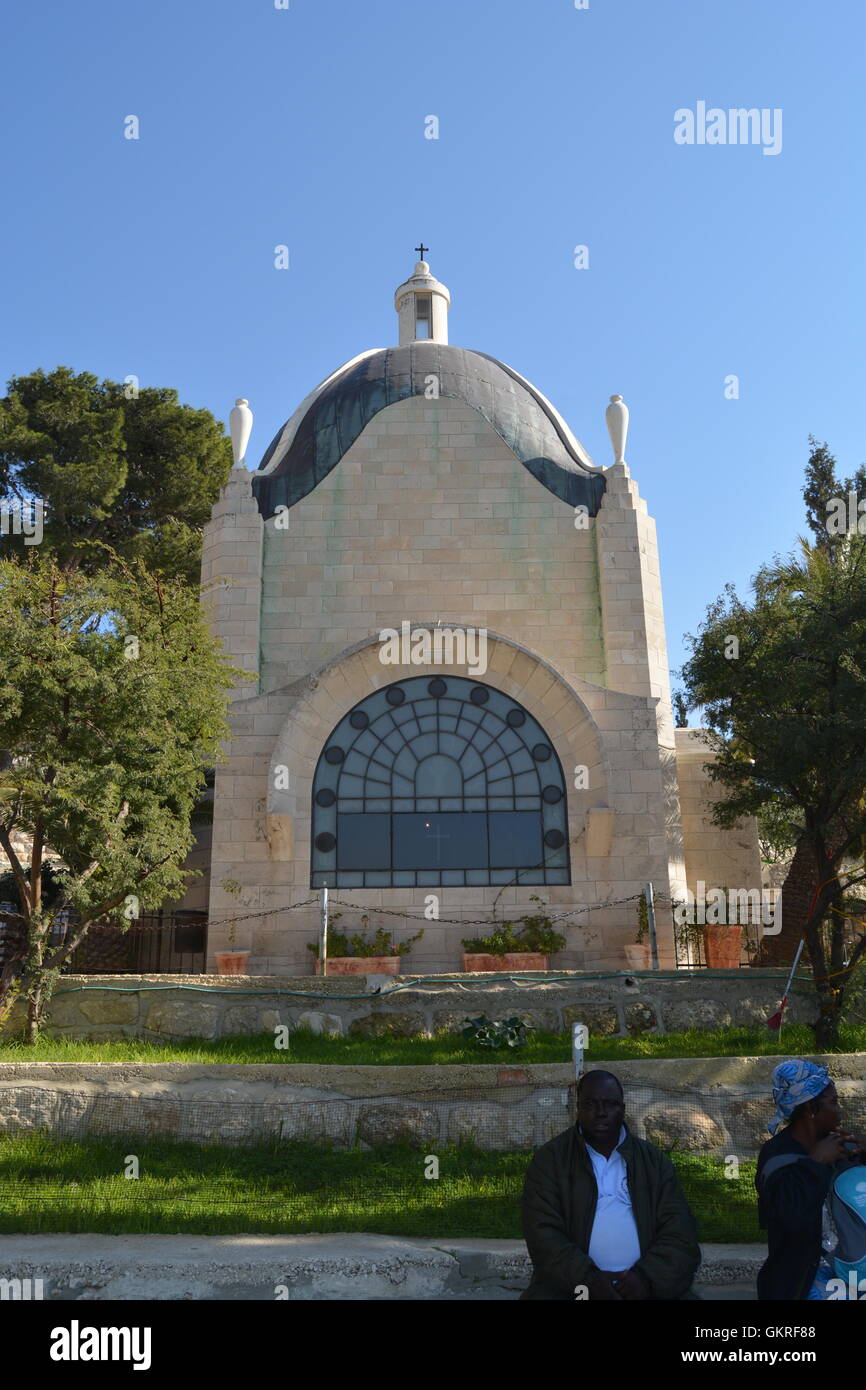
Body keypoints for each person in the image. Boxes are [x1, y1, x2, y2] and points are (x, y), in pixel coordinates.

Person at [520, 1069, 701, 1300]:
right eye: (590, 1105)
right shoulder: (550, 1161)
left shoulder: (653, 1162)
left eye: (610, 1104)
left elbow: (680, 1232)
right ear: (578, 1109)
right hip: (572, 1290)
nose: (601, 1113)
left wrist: (644, 1280)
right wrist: (589, 1281)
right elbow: (542, 1235)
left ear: (623, 1109)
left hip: (646, 1290)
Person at [756, 1058, 866, 1300]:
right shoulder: (777, 1157)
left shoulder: (840, 1143)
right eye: (833, 1102)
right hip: (803, 1282)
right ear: (811, 1110)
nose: (839, 1110)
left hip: (856, 1274)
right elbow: (789, 1216)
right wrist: (815, 1164)